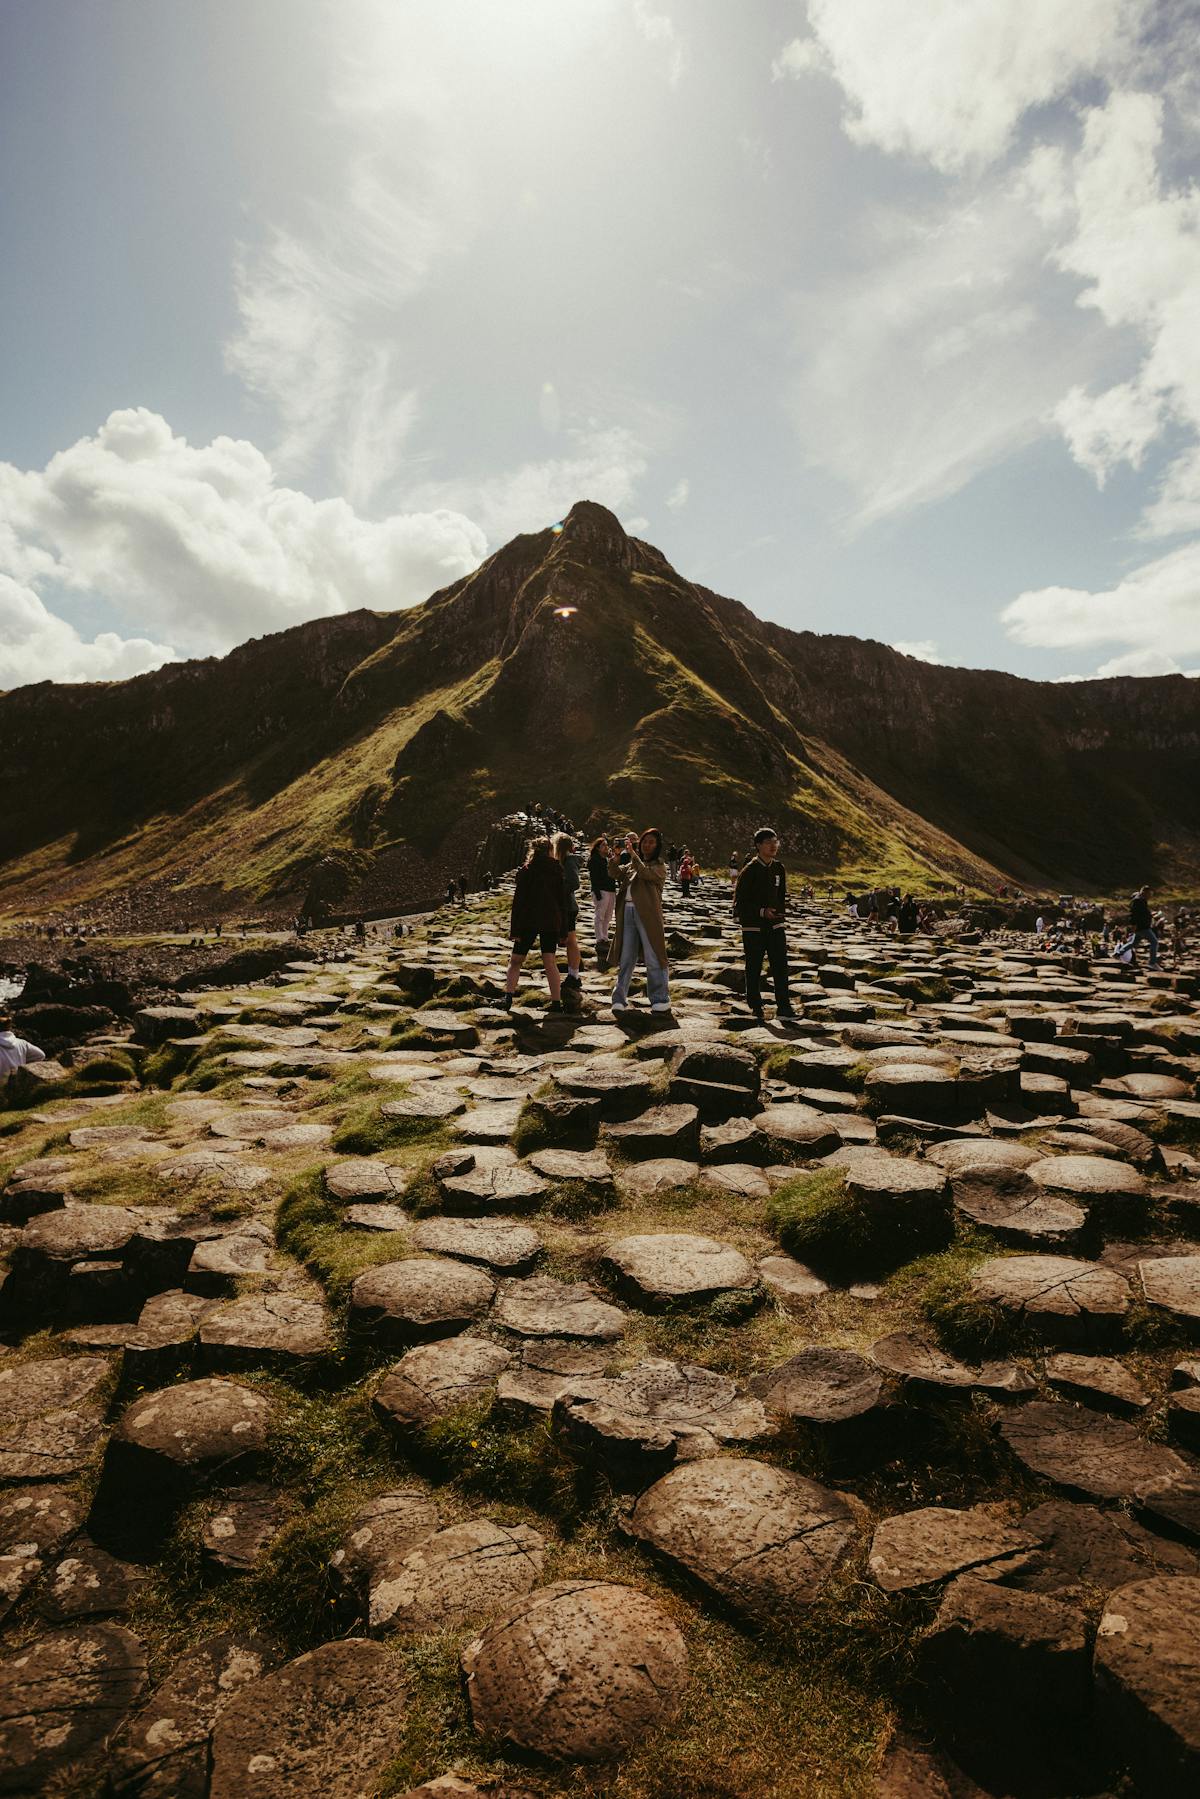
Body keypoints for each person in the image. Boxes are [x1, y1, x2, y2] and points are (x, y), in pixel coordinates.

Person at [734, 827, 795, 1021]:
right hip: (753, 927)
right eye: (768, 842)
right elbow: (740, 903)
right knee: (754, 966)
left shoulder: (779, 868)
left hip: (776, 925)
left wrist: (780, 912)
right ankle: (755, 1005)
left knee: (780, 965)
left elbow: (781, 895)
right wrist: (761, 912)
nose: (773, 845)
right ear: (758, 846)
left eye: (775, 841)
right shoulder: (749, 871)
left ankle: (784, 1008)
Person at [610, 828, 671, 1014]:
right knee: (626, 957)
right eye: (644, 841)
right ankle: (619, 998)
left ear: (657, 845)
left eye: (651, 841)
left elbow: (645, 874)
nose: (647, 844)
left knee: (653, 955)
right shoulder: (631, 865)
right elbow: (615, 873)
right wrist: (615, 857)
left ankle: (660, 998)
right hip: (627, 911)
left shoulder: (659, 866)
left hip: (648, 914)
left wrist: (633, 855)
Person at [503, 837, 566, 1012]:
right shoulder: (557, 869)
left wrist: (515, 929)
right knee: (550, 962)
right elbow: (562, 903)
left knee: (516, 960)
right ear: (550, 850)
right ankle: (556, 1003)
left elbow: (519, 902)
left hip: (528, 921)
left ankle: (508, 997)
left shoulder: (527, 870)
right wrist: (563, 931)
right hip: (550, 921)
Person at [554, 833, 583, 992]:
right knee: (568, 940)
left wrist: (558, 890)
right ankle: (572, 974)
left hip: (567, 907)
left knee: (571, 940)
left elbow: (574, 883)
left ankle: (574, 975)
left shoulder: (569, 860)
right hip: (562, 906)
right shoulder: (563, 861)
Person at [587, 833, 617, 970]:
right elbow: (594, 878)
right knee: (600, 914)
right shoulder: (594, 860)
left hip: (610, 889)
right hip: (601, 890)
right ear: (598, 848)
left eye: (606, 845)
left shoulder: (607, 859)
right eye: (603, 845)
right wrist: (597, 892)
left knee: (609, 915)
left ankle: (605, 936)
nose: (606, 847)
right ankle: (599, 937)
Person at [0, 1014, 46, 1087]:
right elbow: (41, 1055)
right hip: (19, 1083)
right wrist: (23, 1064)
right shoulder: (21, 1043)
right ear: (9, 1028)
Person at [1128, 885, 1159, 968]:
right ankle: (1152, 963)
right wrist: (1134, 924)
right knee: (1154, 942)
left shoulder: (1141, 900)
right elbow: (1134, 914)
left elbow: (1142, 913)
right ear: (1145, 893)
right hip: (1142, 926)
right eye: (1150, 894)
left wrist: (1150, 914)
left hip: (1141, 925)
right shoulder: (1138, 901)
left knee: (1133, 943)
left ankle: (1118, 953)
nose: (1150, 896)